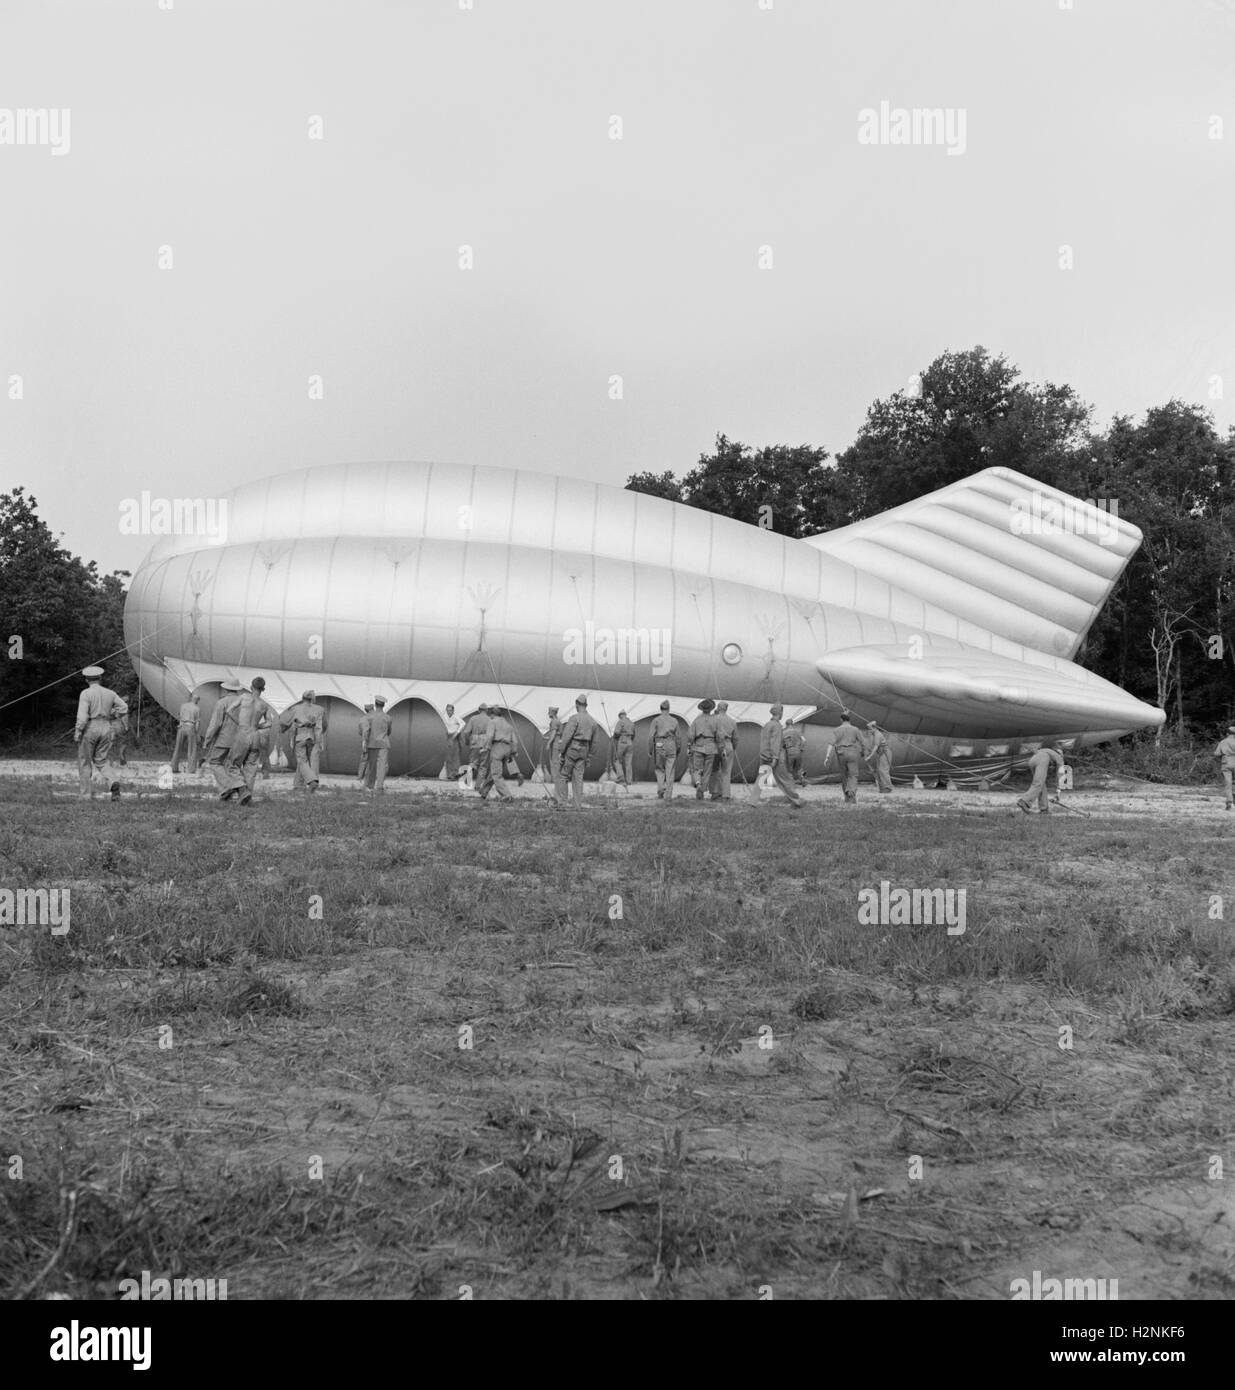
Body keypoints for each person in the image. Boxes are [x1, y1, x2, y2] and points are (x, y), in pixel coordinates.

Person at [74, 666, 127, 799]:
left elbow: (82, 716)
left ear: (86, 679)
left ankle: (85, 795)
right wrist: (114, 714)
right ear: (100, 678)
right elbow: (124, 707)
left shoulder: (85, 693)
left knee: (85, 762)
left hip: (91, 726)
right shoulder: (110, 693)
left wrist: (78, 730)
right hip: (107, 726)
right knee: (101, 760)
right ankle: (113, 782)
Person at [226, 677, 276, 801]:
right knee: (251, 767)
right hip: (255, 735)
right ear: (263, 689)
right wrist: (258, 726)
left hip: (243, 732)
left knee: (232, 765)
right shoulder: (264, 705)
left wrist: (238, 722)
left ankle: (242, 789)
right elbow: (269, 723)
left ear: (251, 686)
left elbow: (229, 710)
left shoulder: (244, 697)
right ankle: (247, 796)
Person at [202, 679, 248, 802]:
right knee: (233, 766)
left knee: (215, 762)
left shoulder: (222, 702)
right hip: (240, 739)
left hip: (224, 739)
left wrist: (208, 738)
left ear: (226, 688)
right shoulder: (244, 703)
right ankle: (230, 791)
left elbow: (216, 723)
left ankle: (231, 786)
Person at [554, 695, 599, 809]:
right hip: (584, 750)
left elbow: (566, 736)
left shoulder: (574, 718)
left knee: (563, 775)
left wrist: (561, 751)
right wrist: (589, 756)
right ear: (586, 705)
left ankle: (562, 804)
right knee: (578, 778)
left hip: (572, 749)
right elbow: (595, 742)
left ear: (576, 704)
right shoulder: (593, 721)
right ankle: (577, 805)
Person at [758, 703, 804, 808]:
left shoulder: (767, 724)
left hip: (764, 754)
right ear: (780, 713)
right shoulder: (777, 726)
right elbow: (775, 742)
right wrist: (775, 757)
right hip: (777, 755)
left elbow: (764, 740)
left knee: (761, 779)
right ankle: (797, 801)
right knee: (785, 779)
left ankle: (753, 800)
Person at [280, 689, 324, 792]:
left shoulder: (296, 708)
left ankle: (312, 781)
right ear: (312, 699)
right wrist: (319, 741)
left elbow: (286, 723)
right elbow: (320, 727)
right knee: (308, 761)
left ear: (302, 698)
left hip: (300, 736)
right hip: (312, 737)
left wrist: (282, 730)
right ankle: (298, 784)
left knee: (302, 761)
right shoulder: (320, 709)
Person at [478, 707, 516, 801]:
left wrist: (485, 747)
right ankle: (484, 791)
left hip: (497, 747)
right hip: (507, 748)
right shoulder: (508, 725)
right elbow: (515, 741)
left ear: (492, 714)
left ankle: (506, 795)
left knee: (496, 774)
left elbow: (490, 735)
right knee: (494, 771)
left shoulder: (493, 722)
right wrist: (513, 752)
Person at [1017, 740, 1065, 814]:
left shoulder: (1047, 750)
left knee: (1041, 785)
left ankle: (1044, 808)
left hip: (1032, 760)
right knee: (1038, 783)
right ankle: (1024, 801)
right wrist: (1058, 791)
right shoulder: (1059, 757)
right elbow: (1060, 773)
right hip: (1042, 759)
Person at [689, 698, 720, 801]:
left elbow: (690, 735)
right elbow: (719, 736)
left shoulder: (697, 720)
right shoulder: (715, 720)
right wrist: (720, 746)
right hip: (711, 747)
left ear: (701, 709)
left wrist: (690, 745)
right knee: (707, 771)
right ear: (711, 709)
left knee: (697, 769)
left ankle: (698, 784)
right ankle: (702, 789)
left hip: (698, 746)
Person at [832, 710, 865, 804]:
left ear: (841, 720)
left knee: (844, 776)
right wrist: (862, 752)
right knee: (853, 775)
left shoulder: (836, 730)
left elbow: (833, 743)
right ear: (849, 719)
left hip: (841, 753)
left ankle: (847, 798)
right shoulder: (855, 729)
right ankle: (851, 792)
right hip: (852, 752)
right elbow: (863, 742)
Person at [648, 701, 679, 800]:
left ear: (660, 708)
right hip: (671, 743)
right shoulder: (674, 720)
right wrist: (678, 749)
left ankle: (661, 789)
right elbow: (678, 737)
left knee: (659, 768)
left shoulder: (656, 720)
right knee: (670, 771)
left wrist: (650, 750)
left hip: (659, 743)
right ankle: (668, 795)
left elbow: (650, 737)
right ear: (669, 709)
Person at [709, 700, 737, 801]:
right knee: (726, 771)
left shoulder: (713, 719)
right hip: (728, 744)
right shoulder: (732, 721)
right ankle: (726, 794)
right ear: (726, 709)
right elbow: (736, 737)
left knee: (714, 770)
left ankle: (715, 792)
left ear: (718, 708)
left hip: (715, 745)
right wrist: (733, 747)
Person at [365, 697, 392, 791]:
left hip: (372, 743)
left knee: (372, 766)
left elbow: (366, 730)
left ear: (375, 704)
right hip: (384, 743)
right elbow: (389, 732)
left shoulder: (369, 717)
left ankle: (370, 786)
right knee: (382, 766)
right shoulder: (388, 718)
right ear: (383, 705)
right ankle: (379, 786)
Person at [171, 693, 201, 773]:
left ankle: (174, 767)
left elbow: (179, 716)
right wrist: (197, 734)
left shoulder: (183, 705)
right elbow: (197, 723)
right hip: (190, 727)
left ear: (191, 698)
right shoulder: (197, 708)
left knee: (177, 748)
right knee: (191, 749)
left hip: (181, 727)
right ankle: (191, 769)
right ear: (197, 700)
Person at [463, 704, 492, 785]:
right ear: (487, 710)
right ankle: (478, 785)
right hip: (485, 743)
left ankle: (468, 780)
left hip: (474, 742)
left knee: (472, 762)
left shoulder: (473, 718)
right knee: (483, 765)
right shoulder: (490, 720)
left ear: (479, 710)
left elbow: (466, 732)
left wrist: (467, 741)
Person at [864, 720, 893, 794]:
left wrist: (870, 756)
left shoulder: (877, 735)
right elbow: (872, 746)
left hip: (884, 753)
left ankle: (888, 787)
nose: (869, 731)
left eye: (870, 729)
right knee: (879, 770)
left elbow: (875, 747)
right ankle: (882, 787)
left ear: (874, 728)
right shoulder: (874, 735)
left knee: (883, 770)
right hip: (881, 754)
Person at [1212, 725, 1235, 811]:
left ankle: (1229, 802)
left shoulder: (1223, 742)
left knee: (1228, 783)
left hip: (1227, 763)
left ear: (1227, 733)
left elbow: (1217, 754)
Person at [612, 710, 636, 787]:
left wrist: (615, 738)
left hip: (622, 741)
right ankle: (629, 780)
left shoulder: (620, 722)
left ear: (620, 716)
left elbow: (616, 732)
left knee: (617, 760)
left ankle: (621, 778)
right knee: (628, 762)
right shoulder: (631, 723)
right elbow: (634, 734)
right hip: (630, 742)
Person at [444, 704, 465, 779]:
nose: (449, 712)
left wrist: (457, 732)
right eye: (447, 710)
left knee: (455, 755)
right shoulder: (446, 717)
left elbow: (463, 723)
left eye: (450, 710)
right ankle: (449, 774)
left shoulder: (455, 717)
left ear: (453, 711)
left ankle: (455, 773)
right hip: (449, 736)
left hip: (454, 736)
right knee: (448, 756)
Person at [781, 719, 805, 786]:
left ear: (786, 725)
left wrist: (785, 748)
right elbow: (804, 740)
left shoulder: (784, 732)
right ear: (792, 724)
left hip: (789, 752)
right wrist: (801, 749)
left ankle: (791, 783)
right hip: (798, 751)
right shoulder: (798, 731)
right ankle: (802, 779)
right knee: (800, 768)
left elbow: (782, 744)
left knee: (789, 769)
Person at [356, 703, 374, 788]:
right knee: (370, 763)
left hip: (366, 741)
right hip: (372, 742)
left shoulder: (363, 719)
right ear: (372, 709)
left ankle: (359, 778)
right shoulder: (376, 718)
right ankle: (366, 782)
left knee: (364, 760)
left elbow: (360, 732)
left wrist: (364, 742)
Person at [542, 706, 562, 783]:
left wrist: (548, 743)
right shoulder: (558, 721)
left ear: (553, 713)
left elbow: (553, 734)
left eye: (549, 712)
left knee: (554, 763)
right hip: (557, 743)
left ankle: (555, 780)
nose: (548, 714)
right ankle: (556, 779)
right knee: (556, 762)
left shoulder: (554, 721)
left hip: (555, 744)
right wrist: (547, 738)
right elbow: (556, 734)